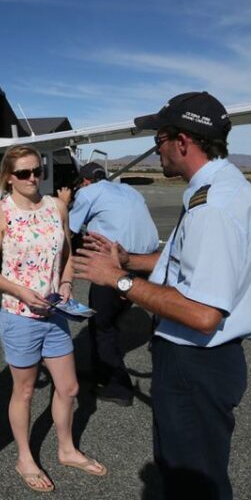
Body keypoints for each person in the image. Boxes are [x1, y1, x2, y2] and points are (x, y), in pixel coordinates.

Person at [74, 92, 251, 500]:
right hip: (205, 363)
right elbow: (189, 264)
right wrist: (129, 259)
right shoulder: (226, 190)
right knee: (196, 477)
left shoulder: (214, 209)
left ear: (183, 142)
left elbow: (204, 313)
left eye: (160, 141)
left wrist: (117, 279)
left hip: (196, 362)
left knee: (191, 485)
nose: (157, 152)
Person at [0, 144, 107, 494]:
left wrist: (66, 282)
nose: (33, 178)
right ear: (9, 177)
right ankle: (24, 456)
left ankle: (66, 449)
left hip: (55, 314)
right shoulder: (0, 214)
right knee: (23, 391)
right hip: (19, 316)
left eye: (37, 171)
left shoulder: (56, 206)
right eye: (24, 173)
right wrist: (20, 292)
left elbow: (66, 251)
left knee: (68, 387)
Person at [67, 162, 159, 406]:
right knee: (108, 321)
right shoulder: (129, 190)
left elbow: (70, 229)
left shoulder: (87, 192)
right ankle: (101, 373)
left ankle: (119, 387)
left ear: (85, 181)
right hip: (144, 264)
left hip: (115, 266)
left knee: (102, 324)